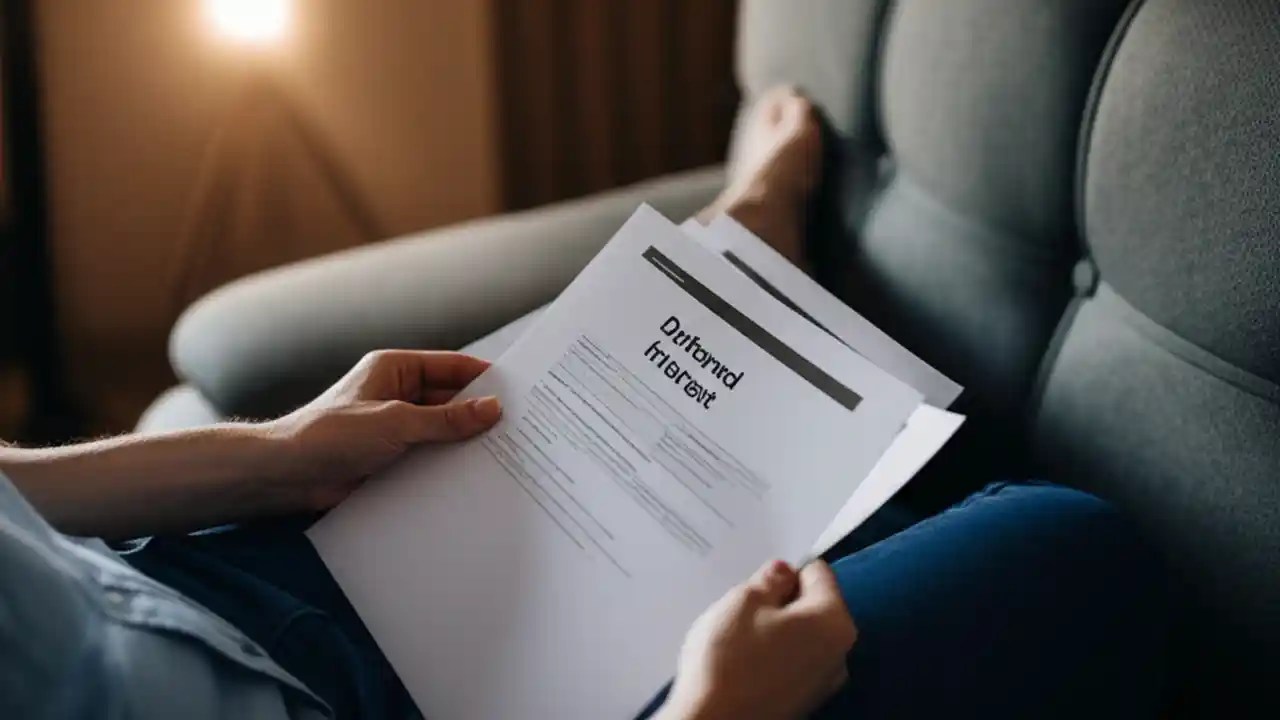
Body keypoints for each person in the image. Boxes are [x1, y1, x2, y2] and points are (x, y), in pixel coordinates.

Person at [0, 88, 1170, 719]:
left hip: (201, 576)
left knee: (563, 401)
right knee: (1072, 546)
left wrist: (276, 453)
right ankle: (751, 272)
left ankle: (743, 249)